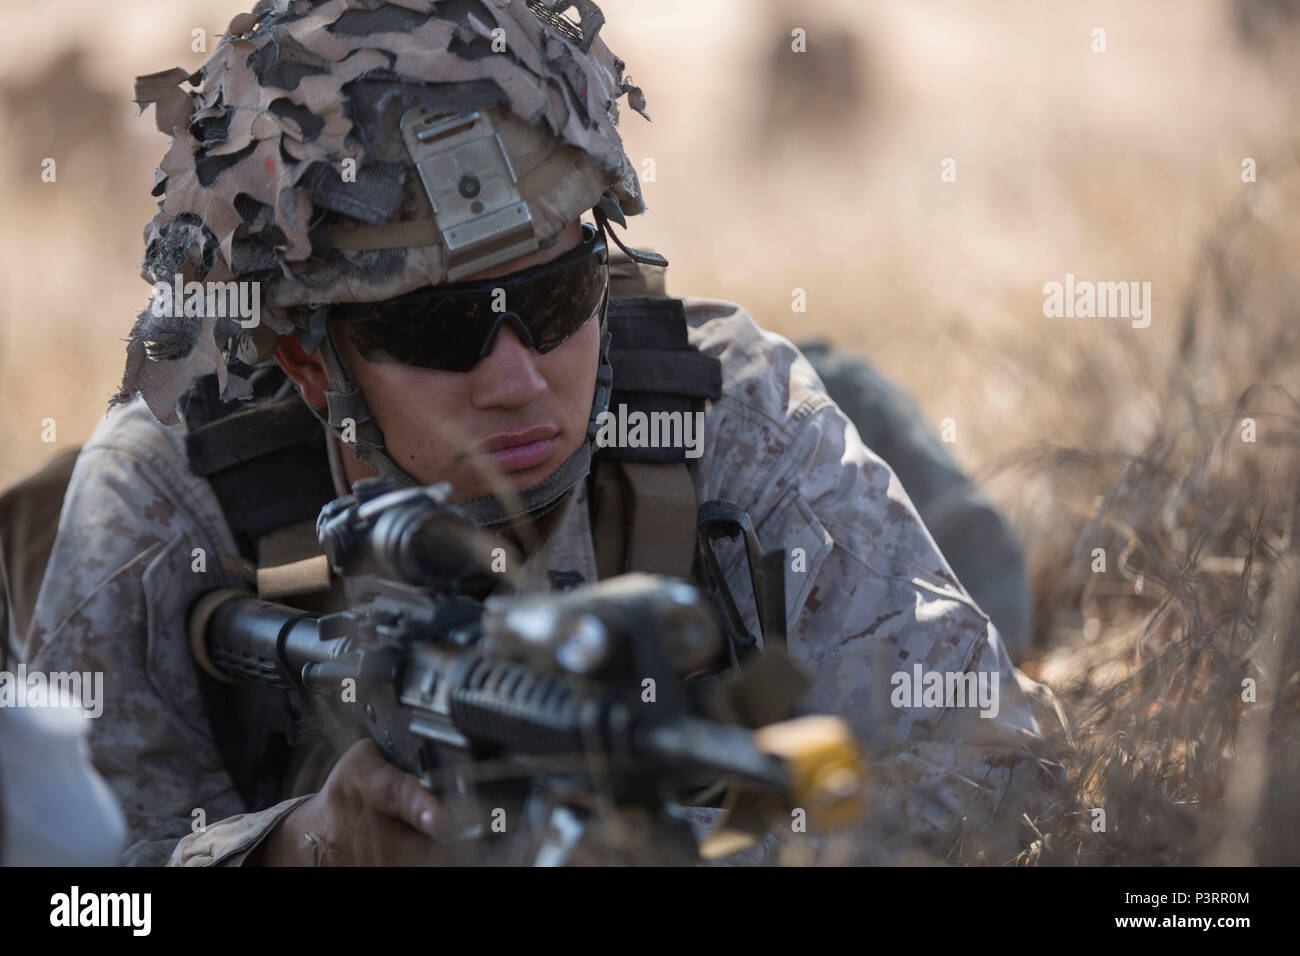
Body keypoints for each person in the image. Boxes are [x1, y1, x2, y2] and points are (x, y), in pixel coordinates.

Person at [21, 0, 1057, 866]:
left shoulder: (727, 404)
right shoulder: (167, 497)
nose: (517, 378)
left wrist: (671, 845)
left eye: (557, 296)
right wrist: (297, 845)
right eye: (434, 324)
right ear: (306, 357)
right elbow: (88, 884)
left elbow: (993, 776)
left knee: (988, 573)